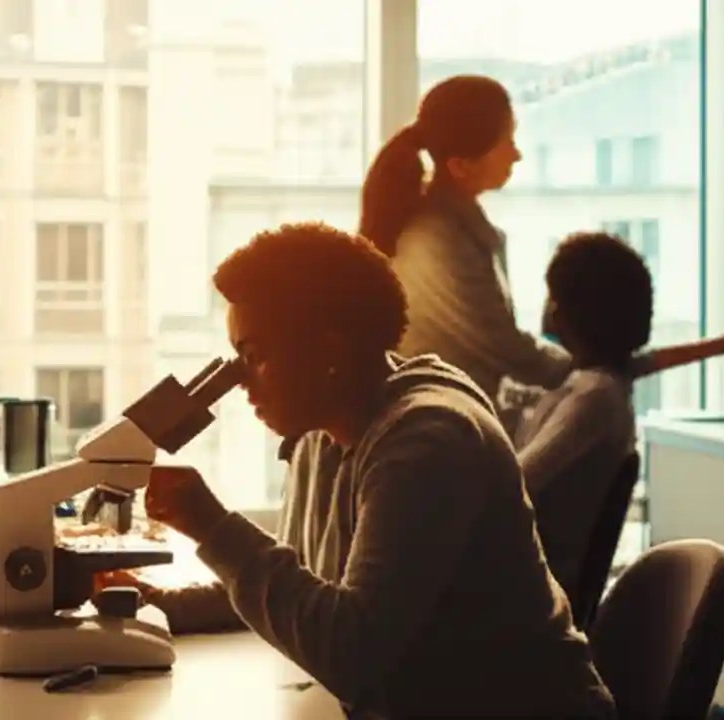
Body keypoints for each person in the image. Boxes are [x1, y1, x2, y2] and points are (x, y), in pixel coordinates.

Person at [112, 222, 617, 718]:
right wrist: (164, 605)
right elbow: (299, 590)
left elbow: (353, 654)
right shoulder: (324, 429)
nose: (243, 383)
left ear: (330, 350)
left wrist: (212, 526)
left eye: (256, 356)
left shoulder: (427, 441)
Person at [358, 73, 724, 399]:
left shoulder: (453, 228)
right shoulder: (438, 241)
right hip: (441, 455)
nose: (517, 153)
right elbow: (528, 360)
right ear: (460, 165)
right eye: (505, 141)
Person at [507, 232, 724, 598]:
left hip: (530, 594)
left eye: (554, 295)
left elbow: (515, 483)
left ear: (566, 311)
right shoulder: (603, 380)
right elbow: (653, 360)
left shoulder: (592, 397)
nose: (548, 306)